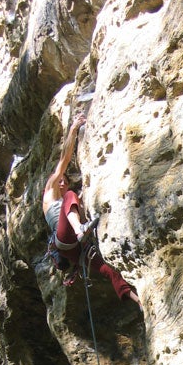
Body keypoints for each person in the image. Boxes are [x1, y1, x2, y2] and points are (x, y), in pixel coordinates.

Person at [42, 113, 142, 309]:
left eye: (64, 181)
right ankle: (80, 229)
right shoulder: (50, 193)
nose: (61, 182)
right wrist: (73, 130)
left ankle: (137, 301)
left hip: (75, 249)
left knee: (107, 268)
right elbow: (64, 160)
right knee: (71, 196)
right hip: (66, 237)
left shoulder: (69, 201)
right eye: (60, 180)